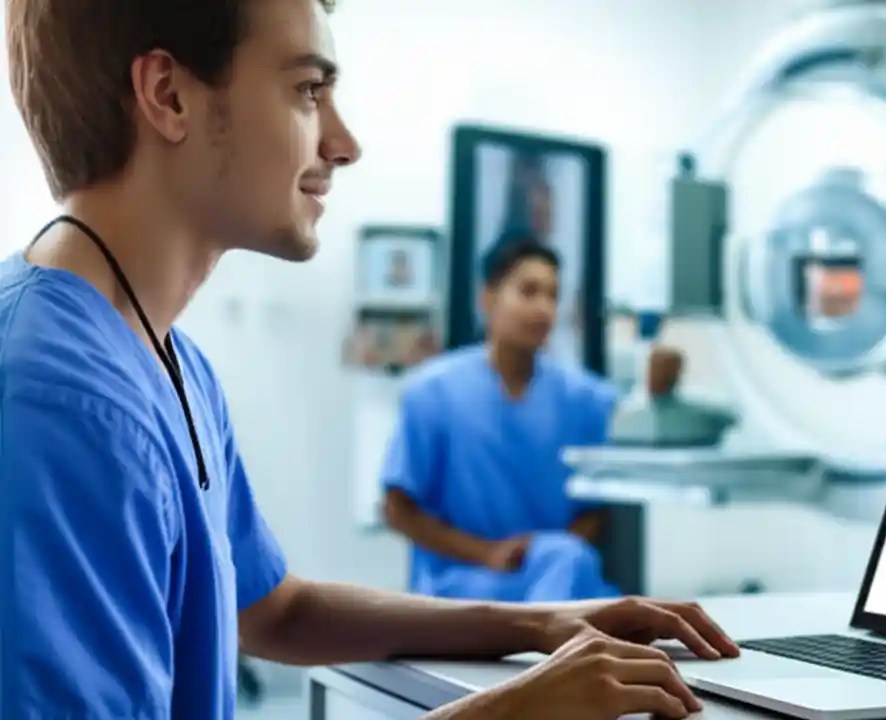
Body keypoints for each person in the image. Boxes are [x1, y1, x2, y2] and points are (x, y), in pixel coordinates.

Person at [0, 2, 738, 719]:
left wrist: (541, 622)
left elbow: (278, 611)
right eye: (308, 90)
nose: (344, 142)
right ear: (169, 97)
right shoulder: (57, 404)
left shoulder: (166, 359)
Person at [381, 237, 621, 602]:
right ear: (488, 298)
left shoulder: (586, 399)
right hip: (459, 583)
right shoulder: (433, 393)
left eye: (553, 295)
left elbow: (597, 508)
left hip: (556, 577)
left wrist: (545, 553)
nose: (543, 309)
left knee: (571, 562)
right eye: (528, 291)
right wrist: (488, 554)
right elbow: (397, 509)